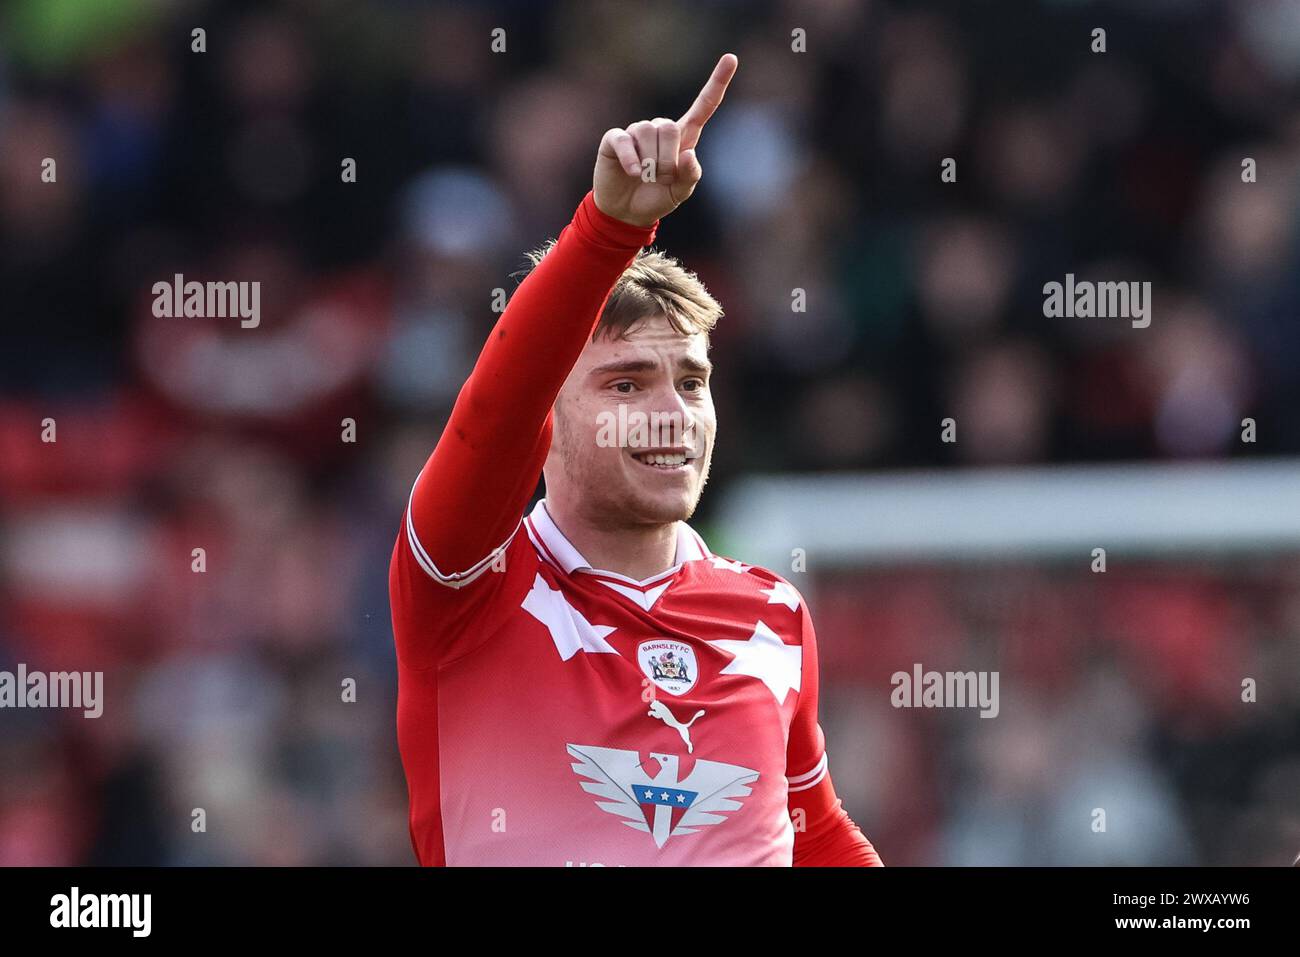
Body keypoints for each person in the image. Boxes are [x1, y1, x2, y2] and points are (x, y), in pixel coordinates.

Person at [389, 53, 881, 866]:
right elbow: (491, 416)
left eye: (692, 381)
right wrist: (610, 229)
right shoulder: (466, 586)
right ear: (549, 415)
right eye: (626, 382)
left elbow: (815, 830)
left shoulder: (771, 615)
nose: (672, 414)